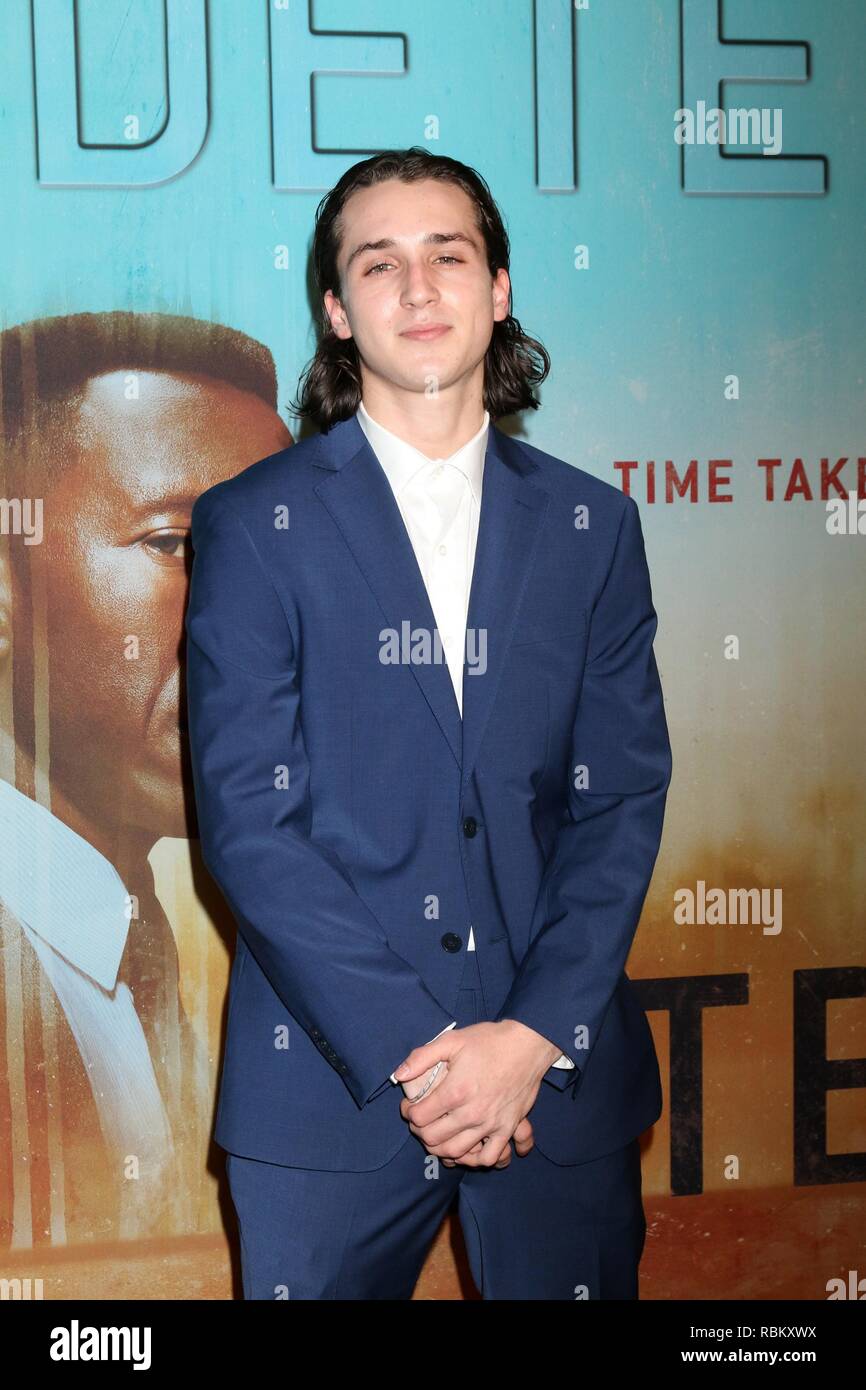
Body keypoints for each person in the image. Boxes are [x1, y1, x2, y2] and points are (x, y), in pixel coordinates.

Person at [184, 147, 673, 1300]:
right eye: (378, 263)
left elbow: (618, 802)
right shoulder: (254, 526)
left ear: (496, 289)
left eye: (447, 256)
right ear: (336, 310)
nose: (417, 288)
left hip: (552, 1083)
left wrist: (524, 1041)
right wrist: (434, 1068)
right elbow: (251, 824)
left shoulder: (589, 526)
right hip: (326, 1087)